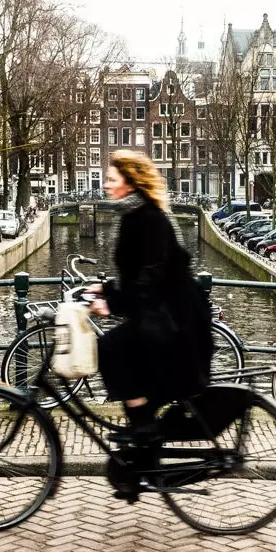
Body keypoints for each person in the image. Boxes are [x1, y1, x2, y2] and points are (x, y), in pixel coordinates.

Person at [85, 149, 213, 501]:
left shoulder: (148, 217)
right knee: (125, 357)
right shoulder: (136, 214)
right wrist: (107, 288)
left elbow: (152, 275)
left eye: (112, 179)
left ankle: (144, 434)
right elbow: (140, 274)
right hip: (161, 312)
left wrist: (112, 302)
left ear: (130, 181)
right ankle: (144, 456)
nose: (107, 185)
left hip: (173, 318)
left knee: (110, 348)